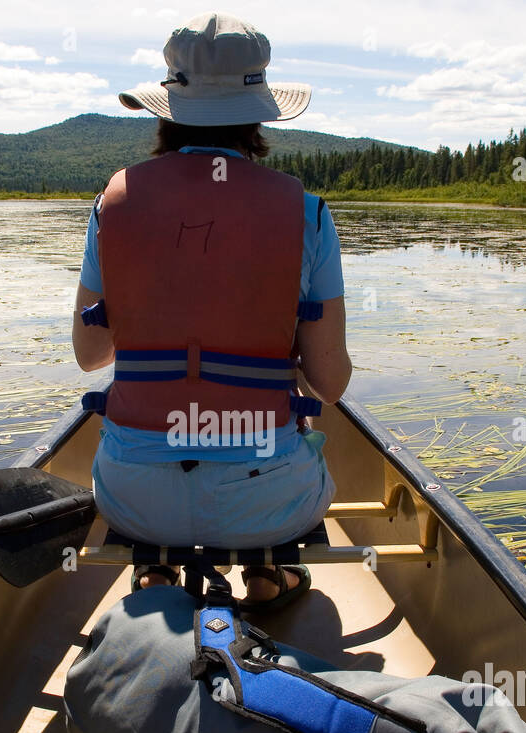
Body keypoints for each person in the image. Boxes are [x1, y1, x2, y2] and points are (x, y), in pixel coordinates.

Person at [71, 11, 350, 611]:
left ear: (166, 108)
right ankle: (270, 574)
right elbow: (330, 384)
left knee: (148, 473)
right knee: (294, 454)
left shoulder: (109, 204)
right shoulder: (309, 212)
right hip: (266, 502)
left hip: (133, 499)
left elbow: (90, 355)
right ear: (259, 114)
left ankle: (156, 573)